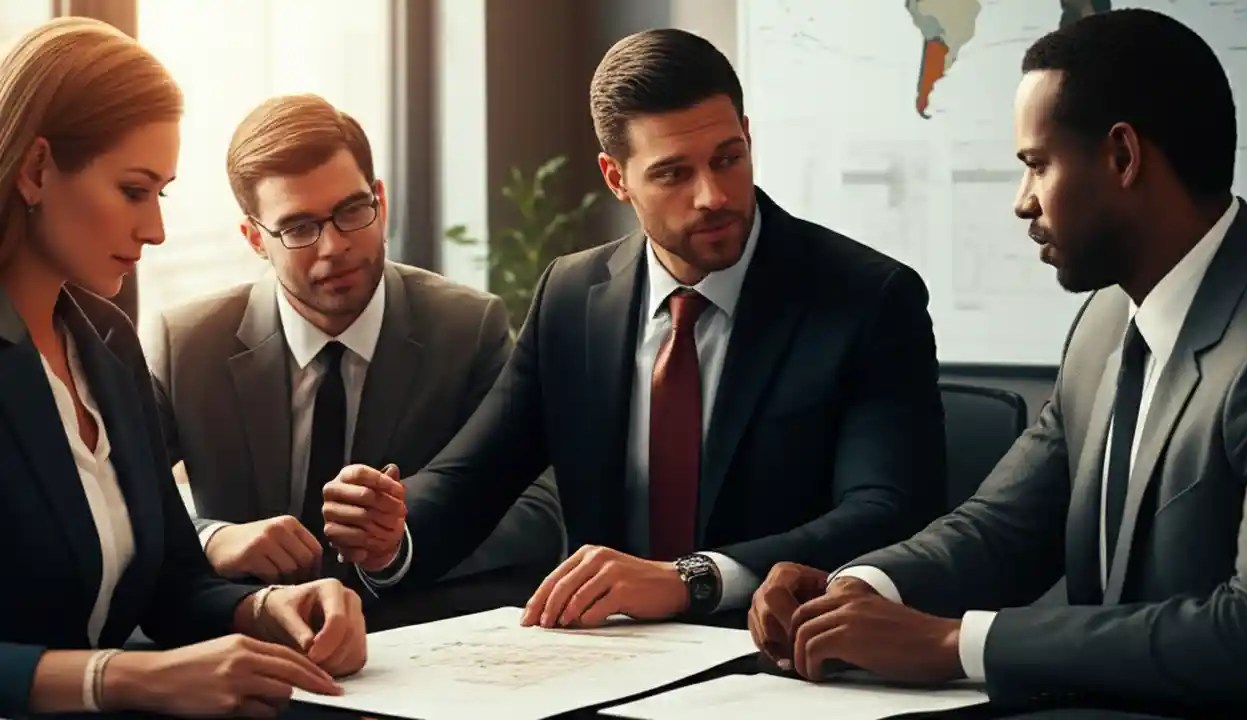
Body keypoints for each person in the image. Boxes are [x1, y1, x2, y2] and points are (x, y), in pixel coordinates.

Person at [322, 28, 946, 628]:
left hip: (779, 654)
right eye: (673, 173)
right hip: (611, 659)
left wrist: (691, 578)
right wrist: (391, 534)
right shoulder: (572, 295)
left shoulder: (867, 298)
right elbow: (475, 477)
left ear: (749, 138)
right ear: (616, 178)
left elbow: (887, 513)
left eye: (728, 158)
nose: (713, 196)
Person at [748, 8, 1247, 711]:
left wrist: (955, 645)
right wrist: (857, 590)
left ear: (1122, 157)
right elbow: (1000, 528)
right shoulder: (1102, 327)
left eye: (1037, 164)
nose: (1022, 202)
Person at [0, 18, 366, 717]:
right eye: (134, 191)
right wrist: (122, 679)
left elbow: (170, 580)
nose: (155, 230)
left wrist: (268, 608)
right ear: (37, 168)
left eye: (161, 195)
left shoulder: (106, 341)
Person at [148, 94, 565, 592]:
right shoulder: (188, 346)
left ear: (381, 201)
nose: (335, 246)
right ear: (255, 238)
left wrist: (402, 538)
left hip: (412, 641)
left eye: (352, 210)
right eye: (300, 227)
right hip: (249, 637)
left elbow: (539, 511)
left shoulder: (467, 328)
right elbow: (123, 509)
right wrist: (213, 539)